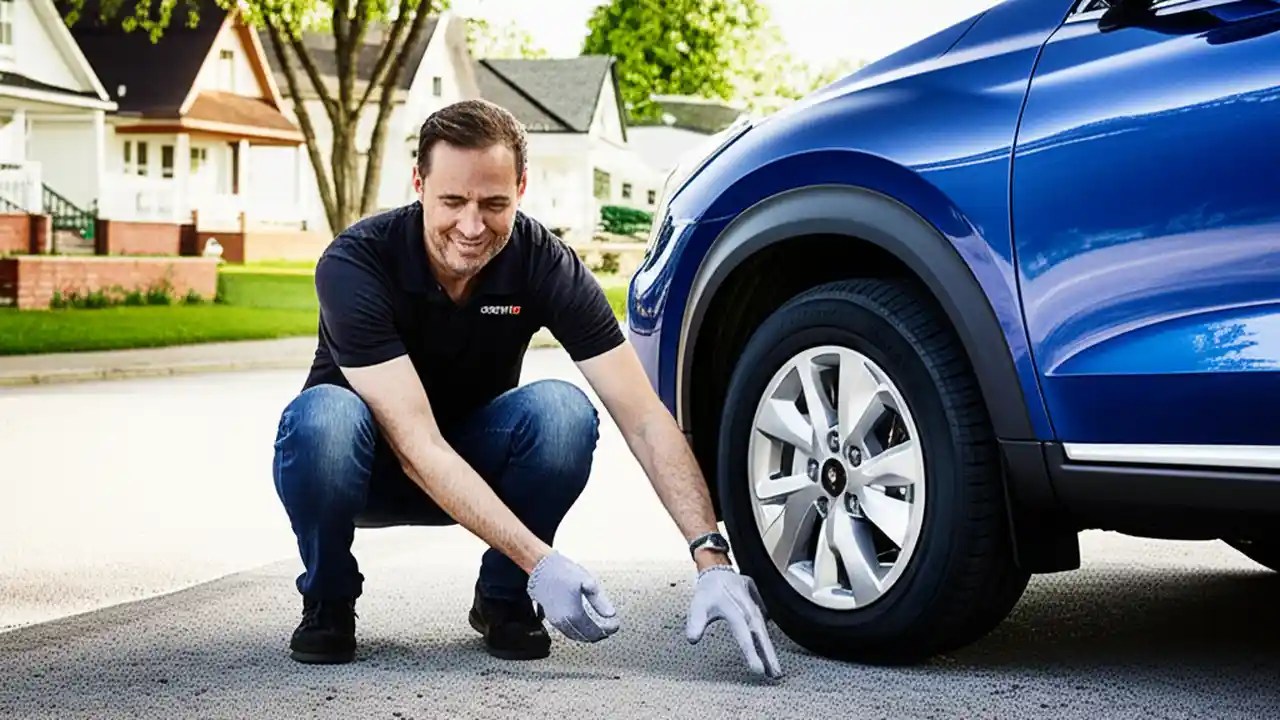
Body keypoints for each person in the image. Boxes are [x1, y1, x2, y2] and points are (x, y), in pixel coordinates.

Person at [270, 99, 782, 679]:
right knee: (325, 419)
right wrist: (544, 562)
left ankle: (503, 598)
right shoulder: (356, 262)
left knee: (564, 413)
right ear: (418, 184)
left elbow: (642, 416)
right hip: (360, 470)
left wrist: (710, 558)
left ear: (521, 187)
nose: (471, 226)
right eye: (452, 201)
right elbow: (415, 445)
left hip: (472, 462)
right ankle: (328, 598)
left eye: (494, 204)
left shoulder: (543, 262)